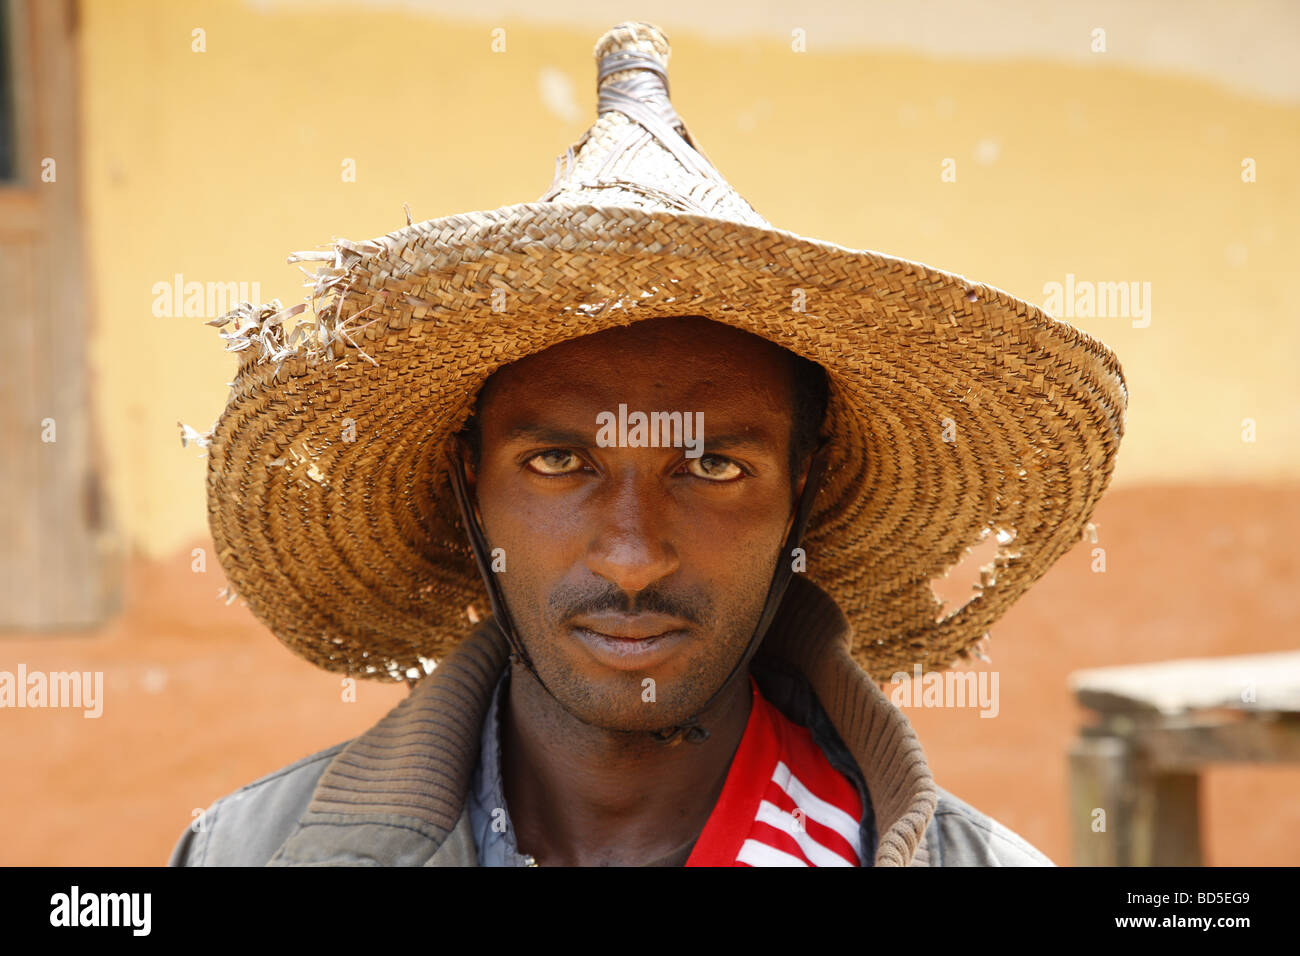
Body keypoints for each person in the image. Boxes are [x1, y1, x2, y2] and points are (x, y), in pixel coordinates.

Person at [170, 21, 1126, 867]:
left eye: (711, 467)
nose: (632, 555)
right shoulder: (244, 856)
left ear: (803, 487)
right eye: (558, 463)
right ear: (470, 490)